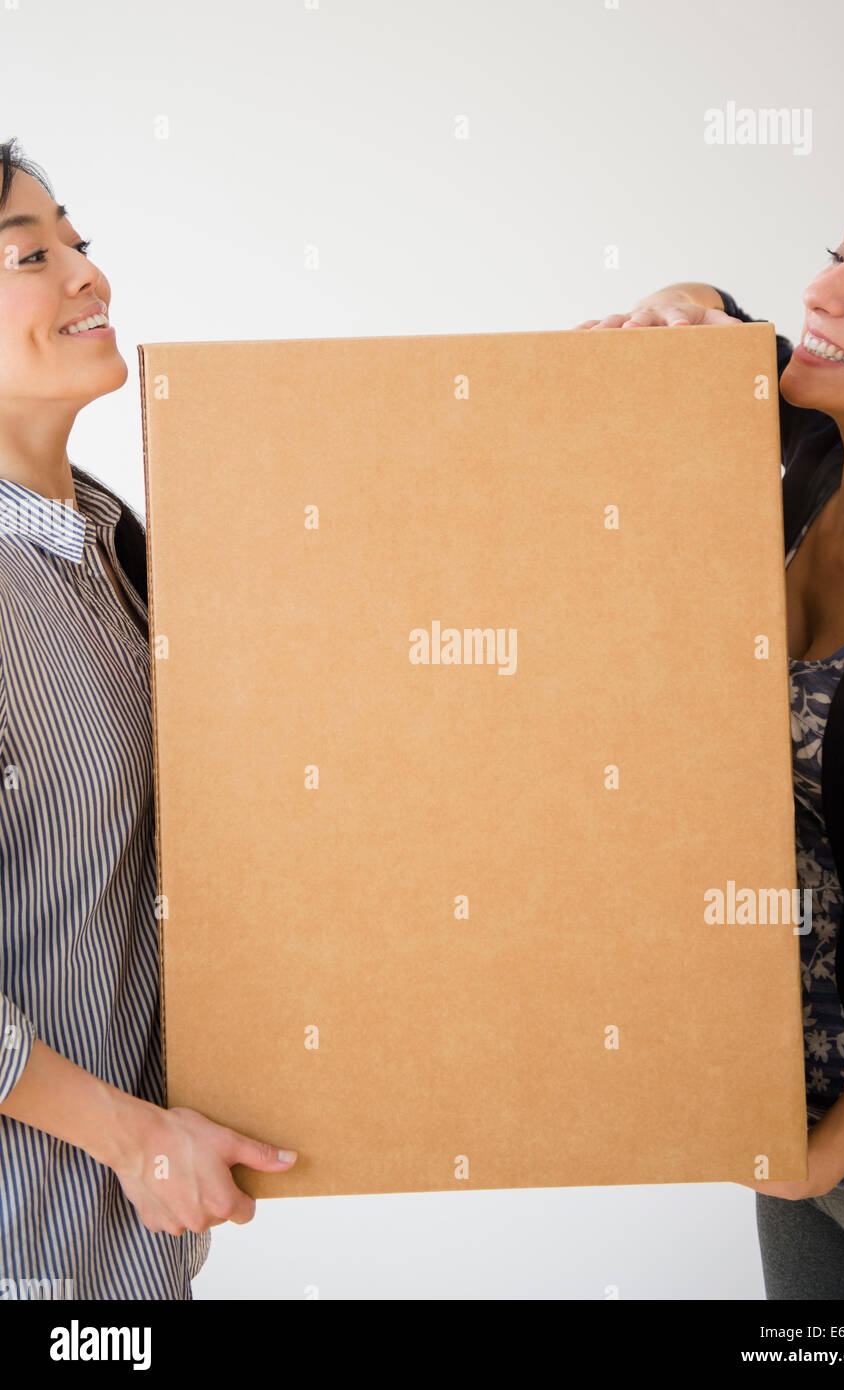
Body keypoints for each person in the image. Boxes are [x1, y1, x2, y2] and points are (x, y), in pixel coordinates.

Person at [576, 158, 844, 1299]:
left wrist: (831, 1147)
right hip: (783, 1130)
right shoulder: (804, 460)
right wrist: (679, 303)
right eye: (837, 249)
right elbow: (724, 324)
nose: (821, 295)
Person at [0, 137, 299, 1301]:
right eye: (32, 254)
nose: (89, 275)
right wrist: (129, 1136)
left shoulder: (118, 545)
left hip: (132, 1254)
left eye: (79, 241)